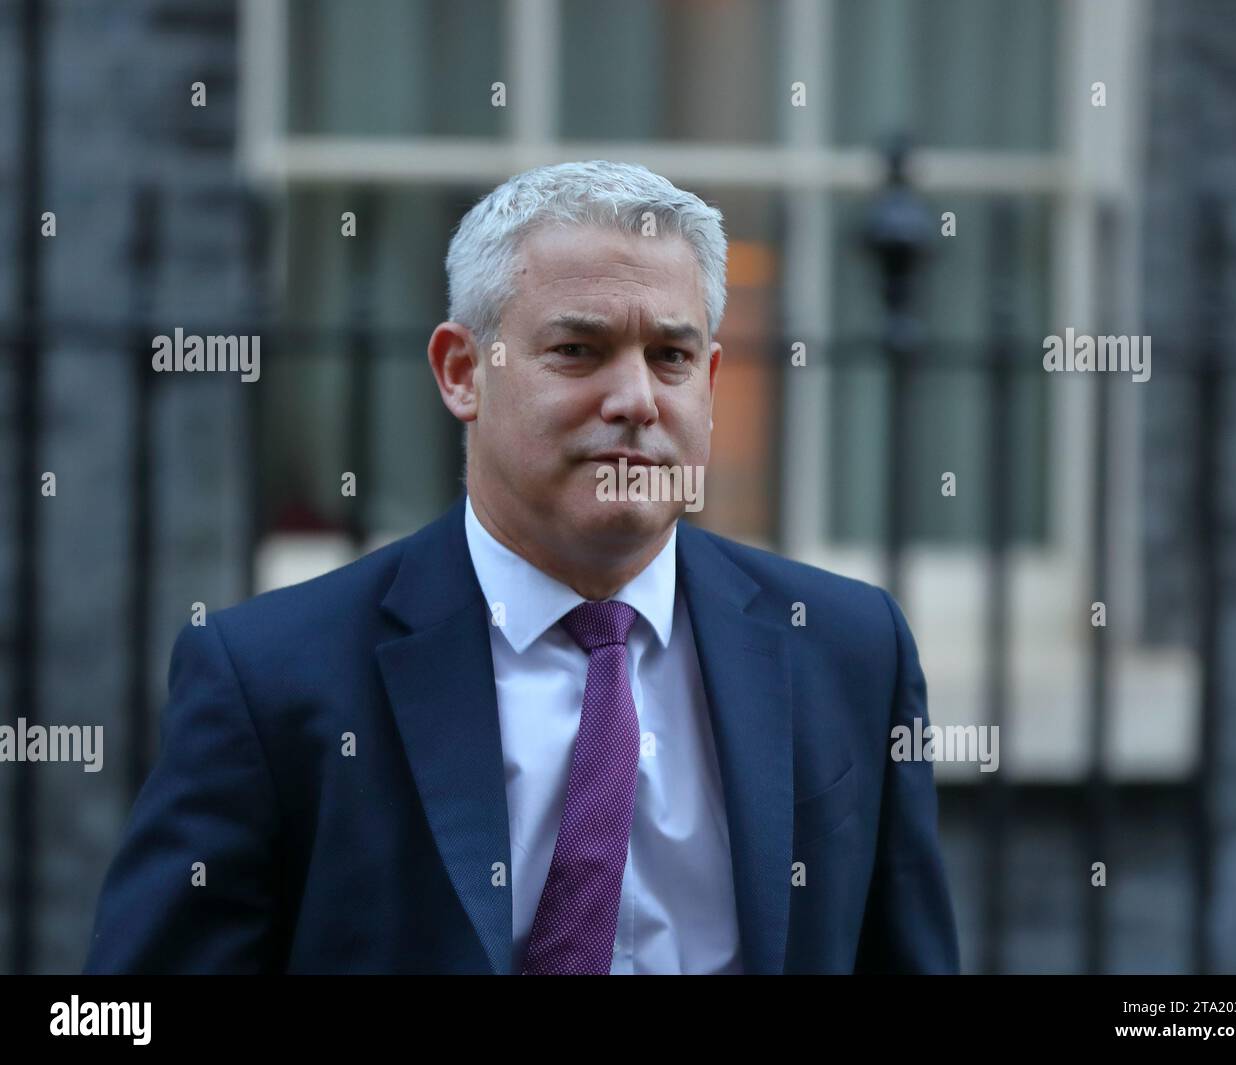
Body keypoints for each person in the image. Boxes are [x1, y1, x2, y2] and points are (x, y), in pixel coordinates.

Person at [85, 160, 959, 974]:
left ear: (712, 381)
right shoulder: (270, 677)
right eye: (577, 351)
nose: (635, 400)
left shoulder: (849, 650)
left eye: (671, 356)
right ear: (462, 371)